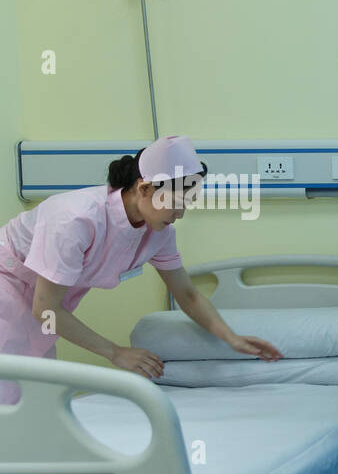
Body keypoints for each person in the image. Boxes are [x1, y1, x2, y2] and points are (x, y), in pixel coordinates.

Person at [0, 134, 282, 404]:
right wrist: (116, 353)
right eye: (175, 203)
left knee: (38, 395)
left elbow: (188, 295)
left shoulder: (158, 232)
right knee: (8, 390)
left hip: (45, 306)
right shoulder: (74, 219)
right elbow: (46, 309)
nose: (180, 215)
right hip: (9, 286)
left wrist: (230, 337)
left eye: (186, 205)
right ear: (144, 188)